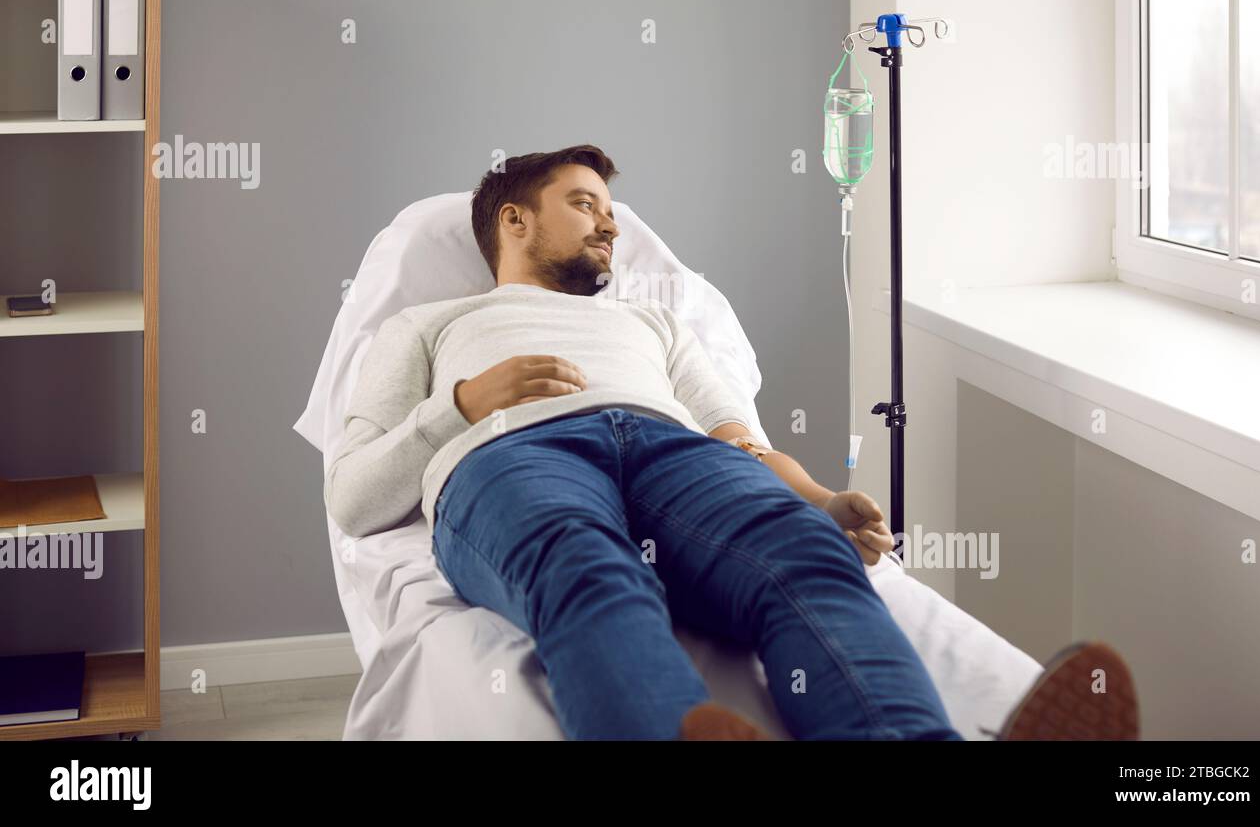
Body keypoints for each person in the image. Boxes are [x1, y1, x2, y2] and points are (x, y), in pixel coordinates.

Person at [325, 144, 1139, 741]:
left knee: (808, 555)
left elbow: (736, 437)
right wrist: (465, 404)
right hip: (510, 456)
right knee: (586, 566)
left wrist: (819, 499)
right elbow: (356, 498)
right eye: (584, 203)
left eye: (610, 210)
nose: (608, 222)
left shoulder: (652, 321)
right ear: (513, 218)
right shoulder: (428, 325)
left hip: (674, 453)